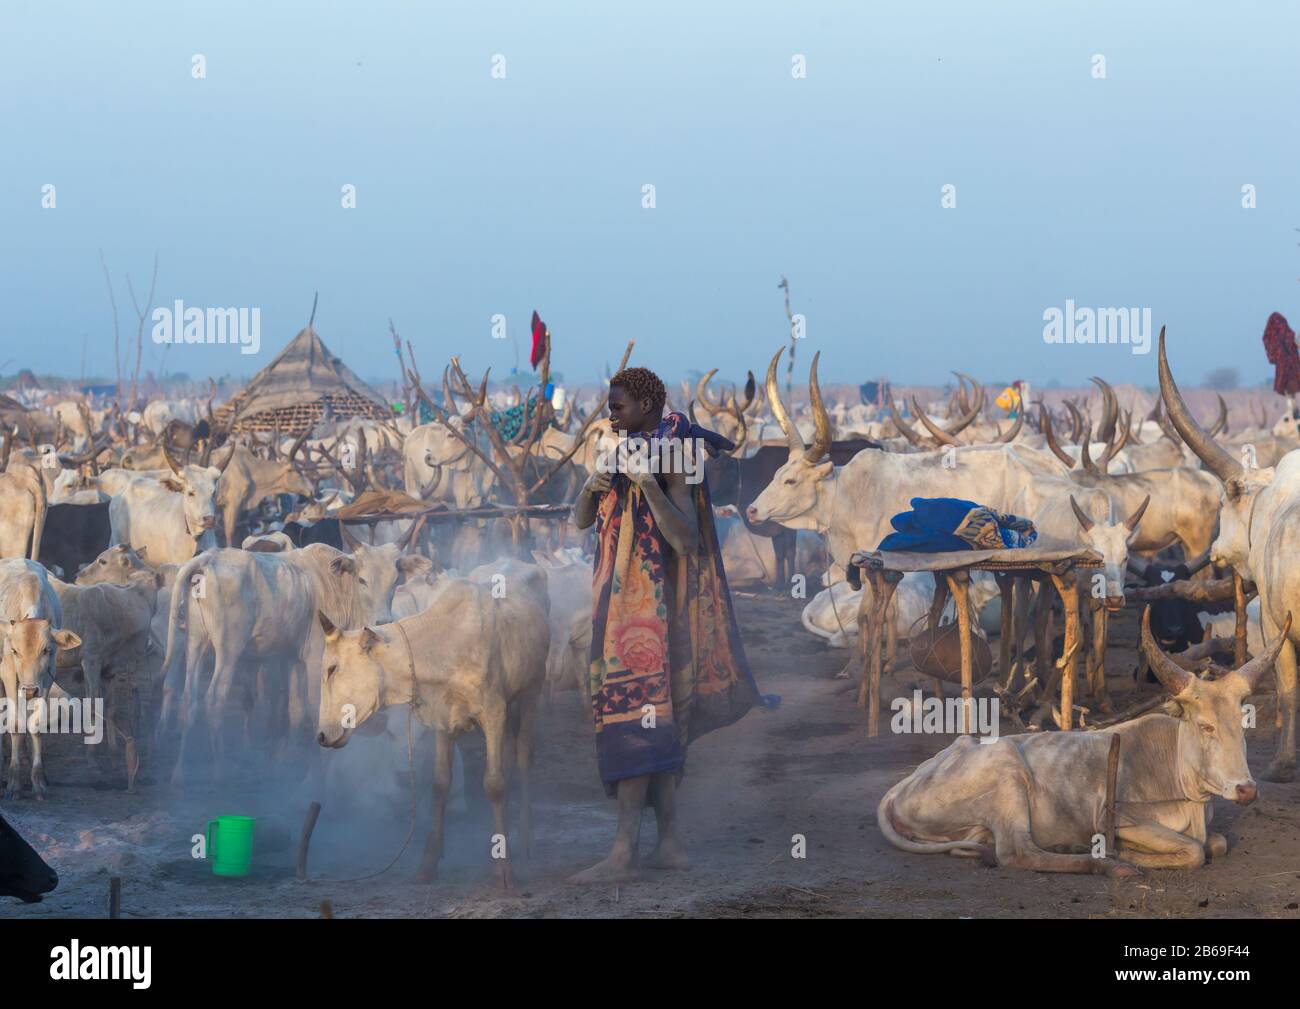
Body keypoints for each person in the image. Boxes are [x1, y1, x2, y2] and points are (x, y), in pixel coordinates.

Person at [569, 366, 762, 883]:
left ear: (649, 407)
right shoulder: (616, 450)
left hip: (652, 615)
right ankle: (670, 843)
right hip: (619, 607)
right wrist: (591, 489)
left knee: (636, 720)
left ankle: (622, 853)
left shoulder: (675, 458)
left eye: (619, 405)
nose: (611, 413)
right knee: (655, 723)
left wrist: (648, 486)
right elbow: (581, 521)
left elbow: (688, 540)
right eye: (609, 405)